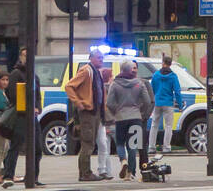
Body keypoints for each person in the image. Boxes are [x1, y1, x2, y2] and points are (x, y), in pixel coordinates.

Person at [106, 59, 153, 180]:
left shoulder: (115, 84)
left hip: (121, 117)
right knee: (132, 145)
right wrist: (140, 111)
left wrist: (116, 111)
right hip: (136, 117)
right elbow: (148, 101)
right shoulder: (139, 83)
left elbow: (109, 103)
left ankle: (123, 161)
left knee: (120, 143)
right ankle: (130, 173)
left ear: (121, 70)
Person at [3, 49, 41, 186]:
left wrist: (37, 108)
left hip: (33, 116)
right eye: (26, 55)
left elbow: (38, 95)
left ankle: (33, 177)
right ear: (21, 57)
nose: (28, 58)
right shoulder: (16, 73)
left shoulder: (34, 75)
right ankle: (8, 175)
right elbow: (12, 94)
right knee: (16, 146)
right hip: (20, 116)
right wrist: (29, 107)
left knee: (37, 148)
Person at [63, 50, 103, 181]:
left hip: (94, 111)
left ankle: (85, 172)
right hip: (88, 112)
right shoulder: (86, 71)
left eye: (102, 57)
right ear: (91, 58)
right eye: (98, 58)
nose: (101, 60)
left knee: (90, 142)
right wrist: (78, 102)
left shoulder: (96, 71)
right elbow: (69, 86)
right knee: (87, 143)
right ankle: (85, 173)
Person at [148, 55, 184, 154]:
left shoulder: (156, 75)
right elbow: (177, 91)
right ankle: (166, 147)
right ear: (170, 64)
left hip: (157, 102)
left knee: (154, 124)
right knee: (168, 126)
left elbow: (152, 89)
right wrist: (180, 105)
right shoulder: (173, 76)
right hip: (168, 103)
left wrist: (154, 99)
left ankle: (151, 147)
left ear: (163, 63)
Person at [93, 65, 114, 179]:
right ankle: (105, 170)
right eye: (112, 76)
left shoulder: (100, 87)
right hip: (108, 120)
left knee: (103, 145)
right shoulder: (109, 88)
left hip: (102, 120)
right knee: (105, 146)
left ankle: (104, 170)